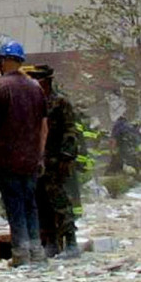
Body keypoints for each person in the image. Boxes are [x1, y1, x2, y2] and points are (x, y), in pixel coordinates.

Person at [0, 40, 48, 267]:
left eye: (0, 61)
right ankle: (36, 250)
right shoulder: (35, 88)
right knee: (30, 203)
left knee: (14, 205)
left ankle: (21, 252)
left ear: (5, 61)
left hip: (7, 158)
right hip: (30, 158)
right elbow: (43, 126)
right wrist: (40, 155)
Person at [28, 65, 81, 260]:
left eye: (38, 79)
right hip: (39, 160)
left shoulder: (60, 102)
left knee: (60, 201)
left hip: (56, 159)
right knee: (41, 202)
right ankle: (50, 240)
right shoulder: (33, 102)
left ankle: (71, 240)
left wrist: (66, 156)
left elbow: (70, 130)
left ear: (47, 80)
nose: (35, 82)